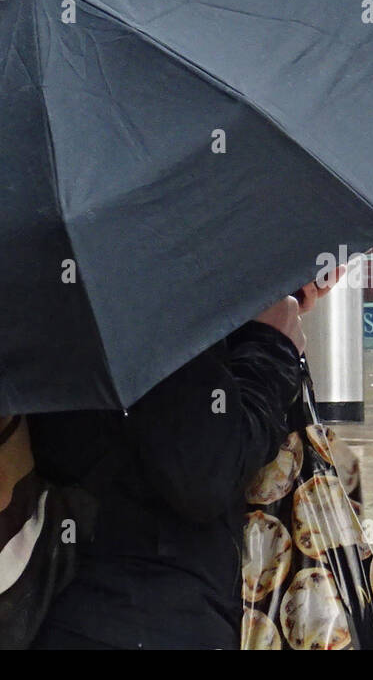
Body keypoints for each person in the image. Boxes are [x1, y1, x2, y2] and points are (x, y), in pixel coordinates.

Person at [29, 276, 339, 649]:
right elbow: (204, 470)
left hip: (43, 600)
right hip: (146, 610)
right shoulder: (148, 280)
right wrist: (271, 348)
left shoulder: (37, 273)